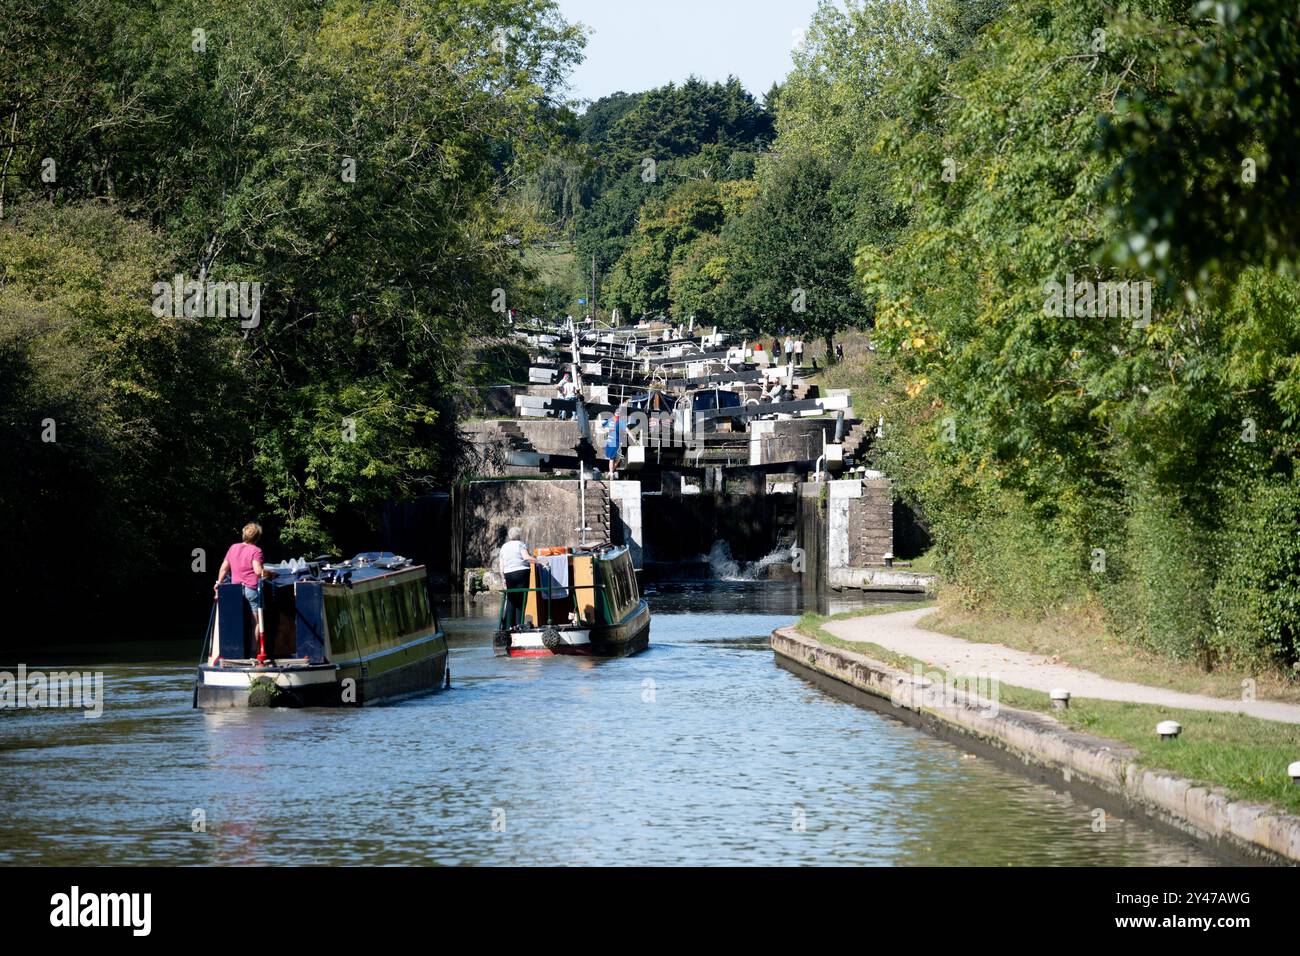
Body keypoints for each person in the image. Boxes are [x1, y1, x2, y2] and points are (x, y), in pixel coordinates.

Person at [214, 523, 275, 654]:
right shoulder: (256, 550)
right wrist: (271, 574)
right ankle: (254, 653)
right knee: (256, 622)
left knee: (236, 621)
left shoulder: (233, 548)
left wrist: (218, 582)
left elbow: (224, 568)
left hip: (235, 591)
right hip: (251, 590)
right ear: (258, 537)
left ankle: (235, 652)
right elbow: (258, 571)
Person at [499, 527, 534, 627]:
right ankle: (519, 624)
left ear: (510, 536)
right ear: (519, 535)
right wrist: (540, 561)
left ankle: (508, 626)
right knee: (521, 599)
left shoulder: (504, 547)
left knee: (511, 599)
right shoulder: (520, 544)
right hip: (522, 573)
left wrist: (503, 579)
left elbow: (501, 565)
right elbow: (526, 558)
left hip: (508, 574)